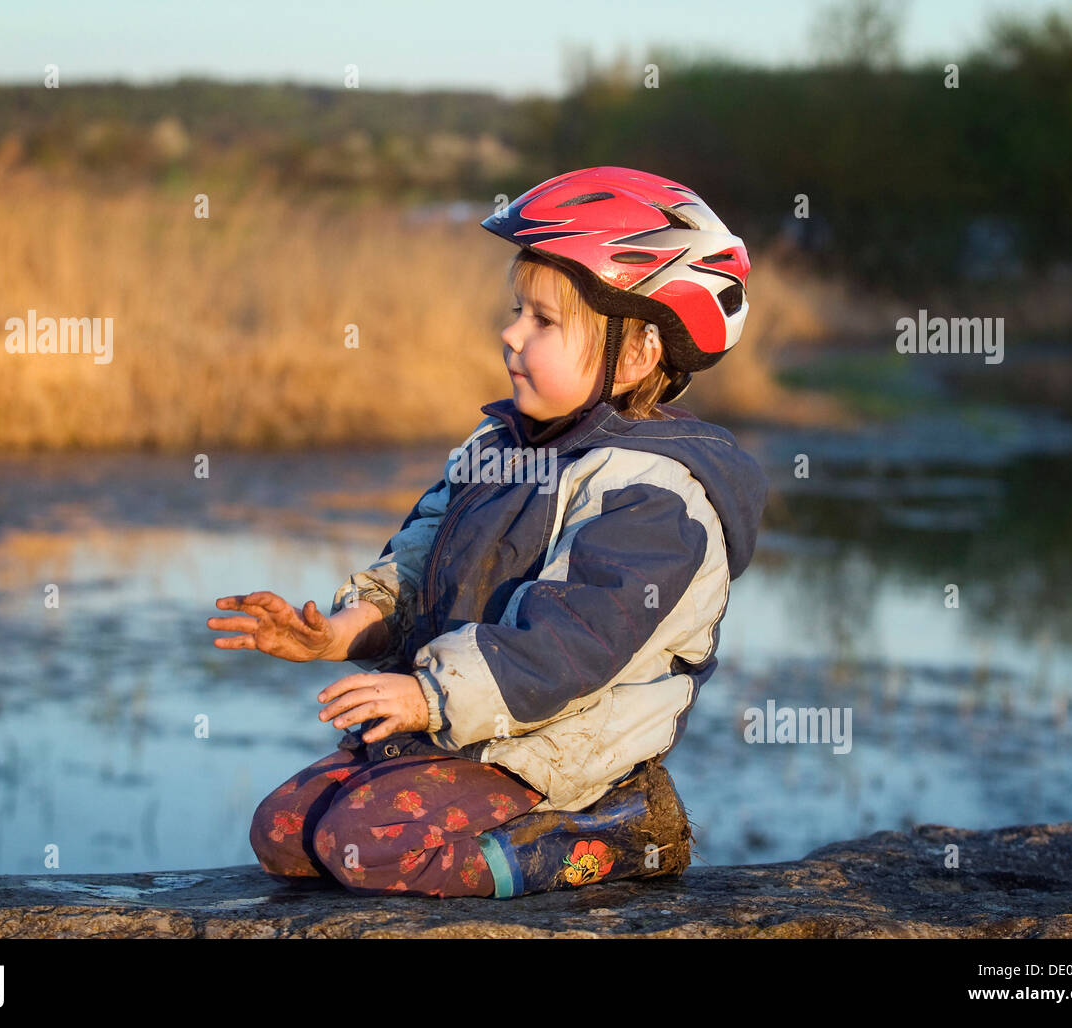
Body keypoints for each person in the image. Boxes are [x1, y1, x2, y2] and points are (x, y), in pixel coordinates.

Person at [207, 166, 768, 898]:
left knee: (363, 846)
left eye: (544, 321)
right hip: (467, 722)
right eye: (516, 310)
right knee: (282, 834)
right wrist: (339, 633)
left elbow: (568, 643)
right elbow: (423, 556)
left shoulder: (655, 492)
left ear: (636, 354)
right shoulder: (500, 444)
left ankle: (625, 829)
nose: (510, 334)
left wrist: (426, 697)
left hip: (559, 745)